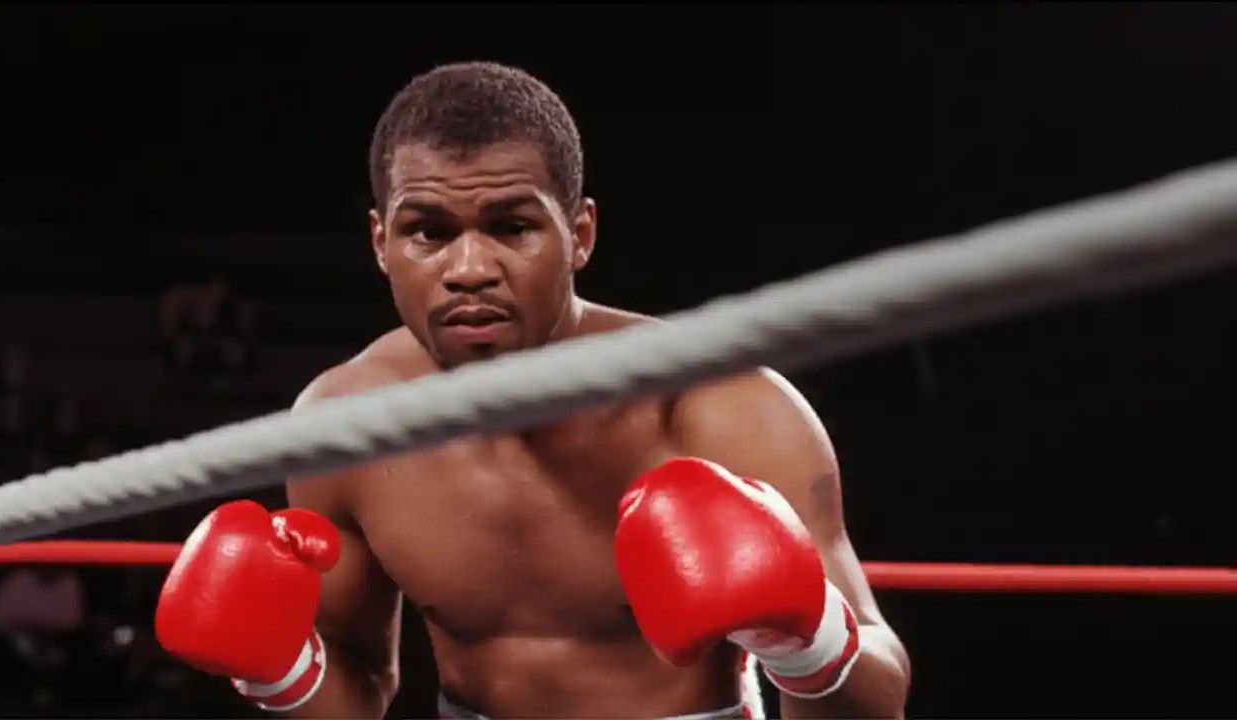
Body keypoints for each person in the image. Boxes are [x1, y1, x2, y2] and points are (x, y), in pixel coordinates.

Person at [155, 61, 911, 719]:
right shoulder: (345, 425)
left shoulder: (717, 403)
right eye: (429, 231)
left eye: (512, 226)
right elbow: (359, 694)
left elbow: (879, 697)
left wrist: (811, 635)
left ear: (578, 235)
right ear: (381, 243)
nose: (470, 268)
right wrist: (277, 671)